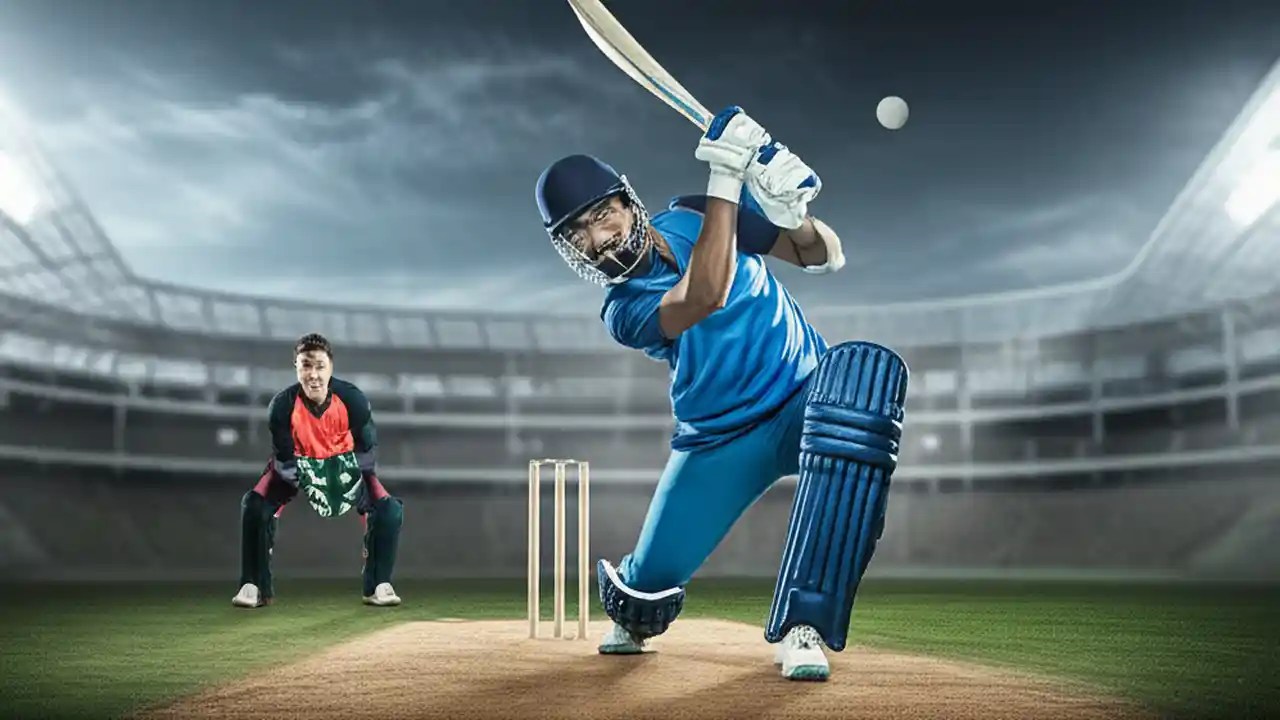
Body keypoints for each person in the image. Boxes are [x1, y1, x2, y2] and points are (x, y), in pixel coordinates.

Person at [533, 106, 908, 681]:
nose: (598, 239)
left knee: (856, 403)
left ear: (628, 201)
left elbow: (822, 255)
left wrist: (793, 212)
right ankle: (634, 612)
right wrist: (728, 176)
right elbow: (705, 293)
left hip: (807, 394)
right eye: (576, 234)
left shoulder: (694, 213)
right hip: (720, 436)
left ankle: (804, 625)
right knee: (645, 592)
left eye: (602, 214)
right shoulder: (622, 309)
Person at [232, 333, 405, 609]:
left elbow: (367, 451)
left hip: (345, 464)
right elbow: (284, 460)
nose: (313, 374)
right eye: (306, 366)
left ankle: (378, 585)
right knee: (254, 504)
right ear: (297, 368)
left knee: (389, 510)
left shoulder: (353, 400)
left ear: (331, 368)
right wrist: (307, 482)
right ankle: (253, 584)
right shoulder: (282, 406)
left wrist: (345, 483)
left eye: (319, 366)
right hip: (300, 464)